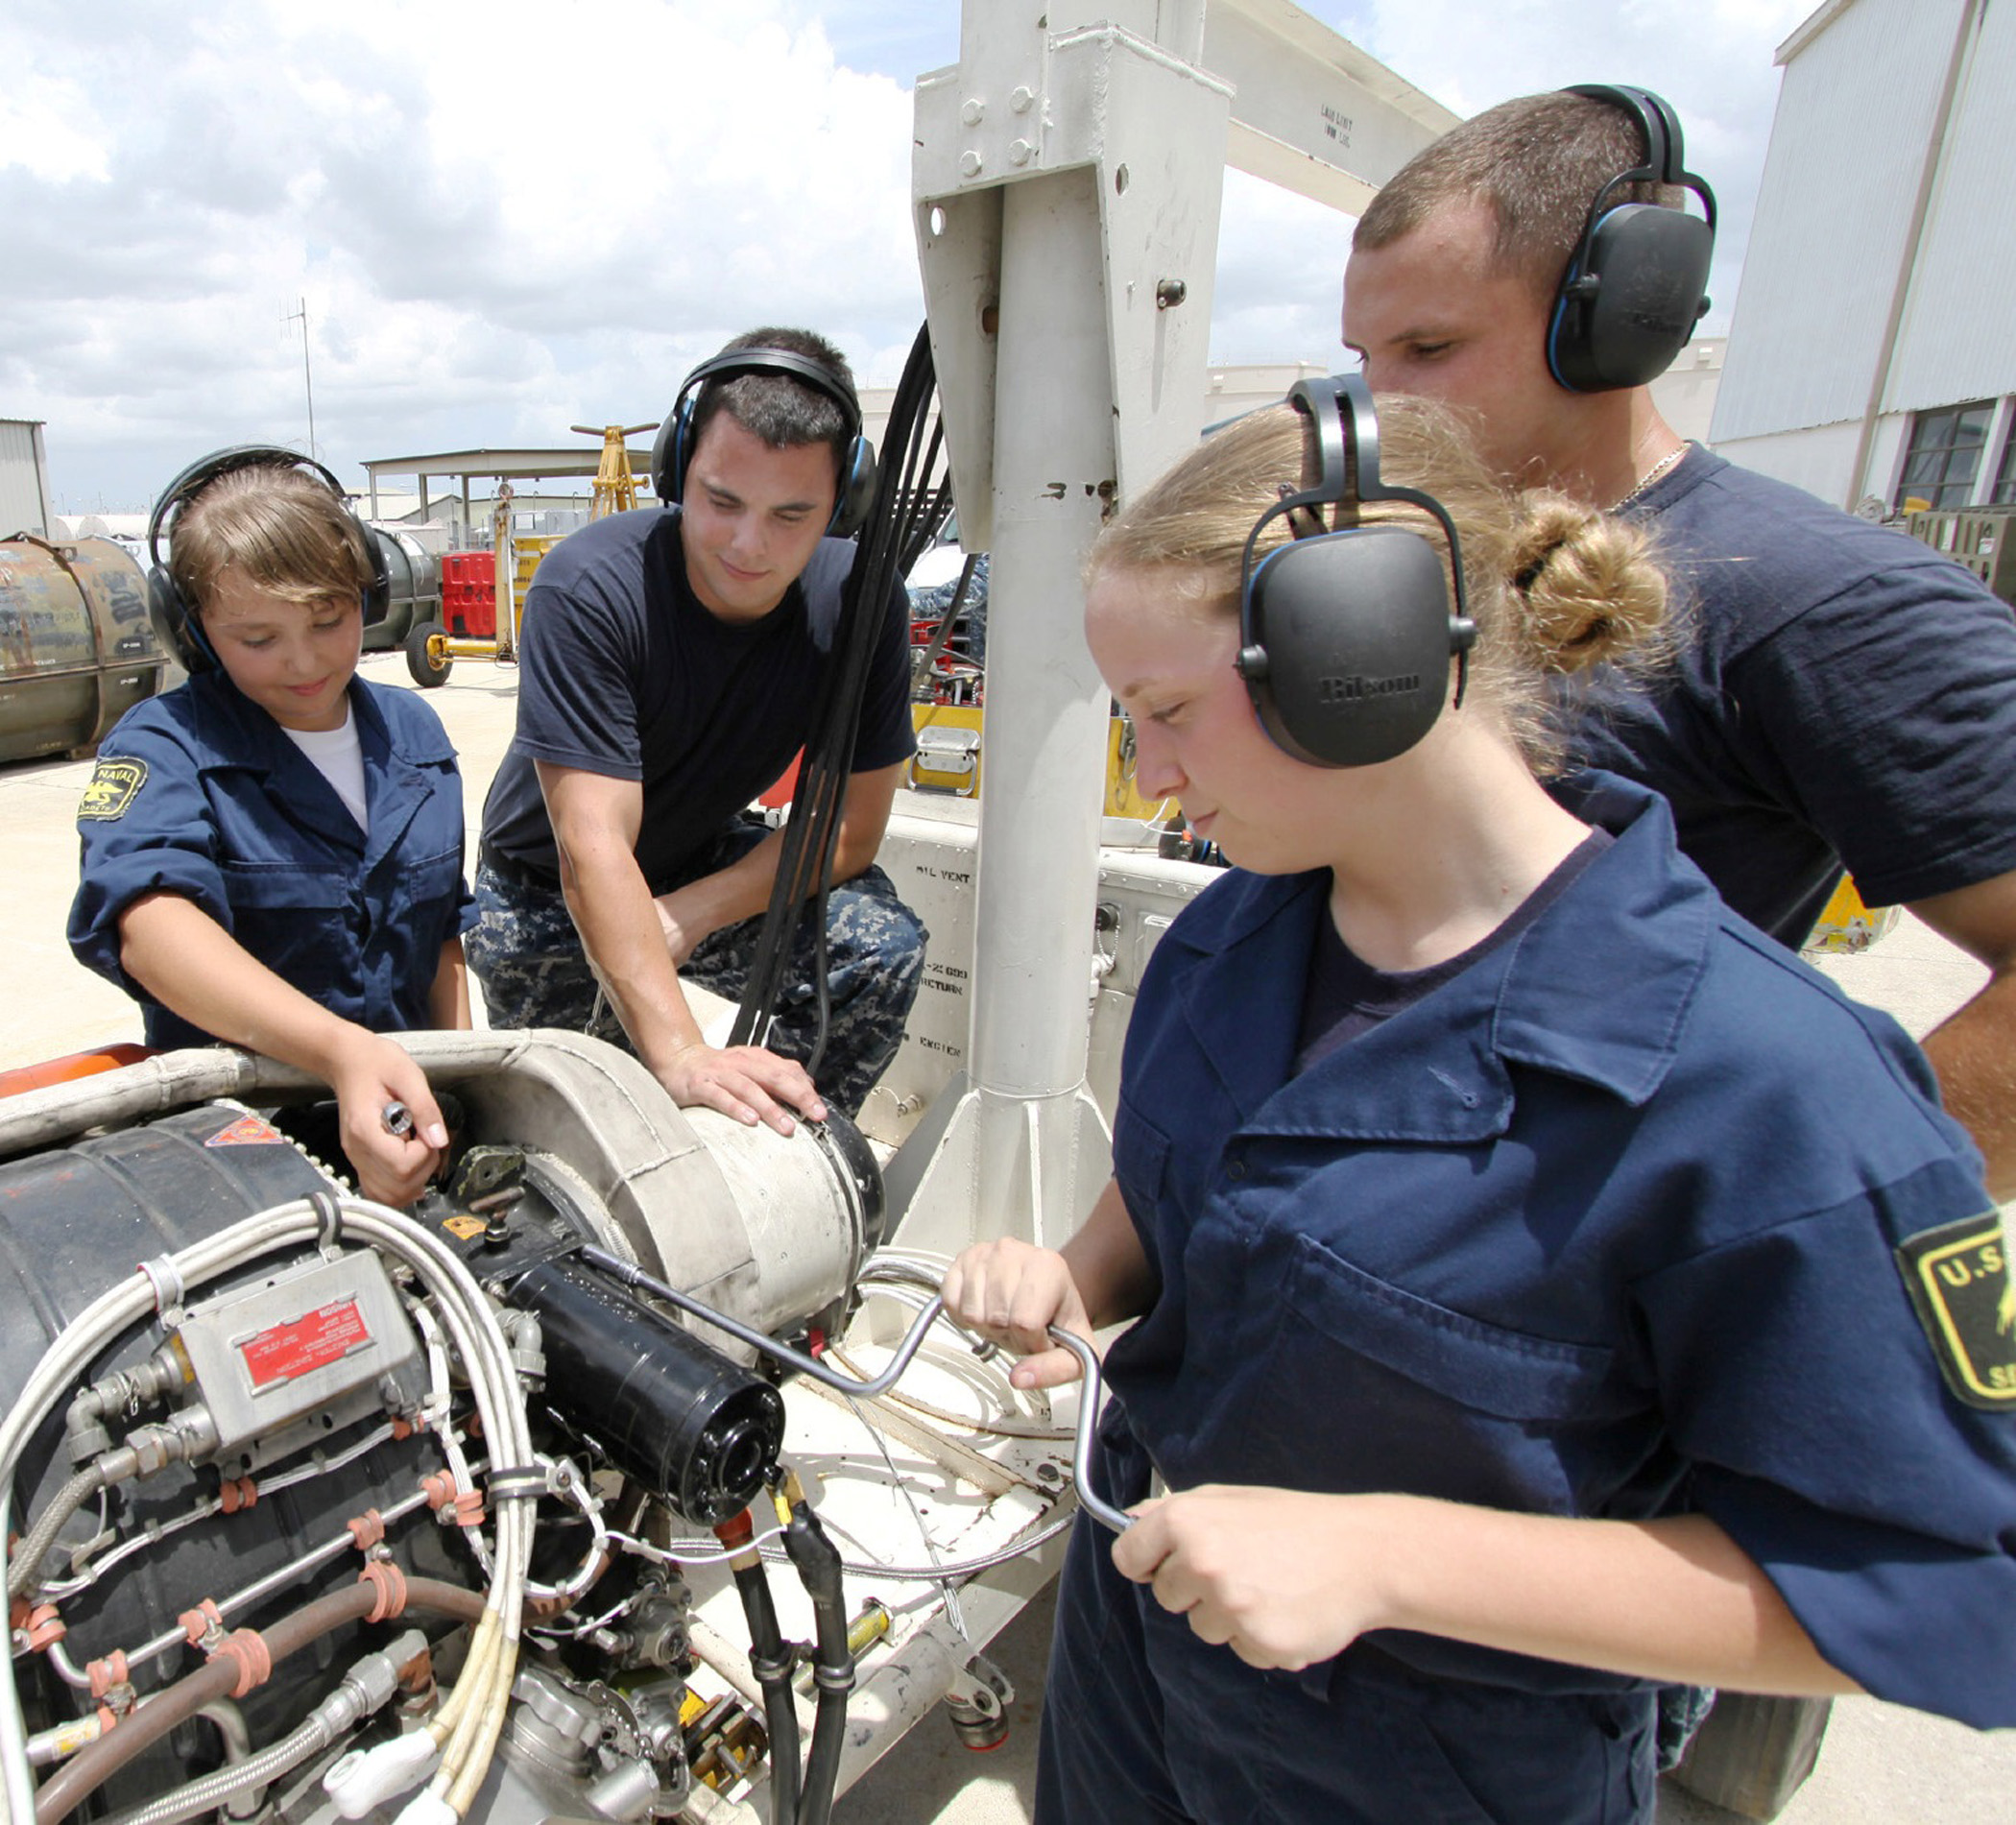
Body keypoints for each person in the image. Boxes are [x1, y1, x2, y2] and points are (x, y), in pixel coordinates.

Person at [939, 384, 2016, 1825]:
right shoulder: (1227, 942)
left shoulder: (1761, 1087)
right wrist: (1079, 1276)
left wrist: (1387, 1558)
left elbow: (1945, 1590)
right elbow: (1201, 1175)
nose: (1162, 779)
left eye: (1169, 713)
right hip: (1136, 1686)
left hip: (1431, 1769)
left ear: (1358, 657)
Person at [1341, 85, 2016, 1202]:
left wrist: (1780, 1201)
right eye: (1369, 353)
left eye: (1432, 347)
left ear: (1620, 321)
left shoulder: (1815, 598)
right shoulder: (1431, 560)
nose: (1386, 402)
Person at [468, 329, 924, 1135]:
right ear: (678, 470)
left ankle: (783, 1150)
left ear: (845, 500)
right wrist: (678, 1052)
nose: (750, 545)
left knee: (875, 947)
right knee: (565, 1127)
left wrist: (690, 912)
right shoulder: (588, 587)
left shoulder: (860, 600)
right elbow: (591, 845)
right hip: (546, 893)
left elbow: (849, 828)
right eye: (721, 501)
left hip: (694, 863)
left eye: (793, 514)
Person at [69, 448, 473, 1207]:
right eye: (257, 639)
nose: (303, 660)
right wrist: (342, 1053)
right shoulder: (164, 748)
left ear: (371, 593)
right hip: (242, 1160)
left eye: (329, 620)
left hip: (409, 1140)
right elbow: (151, 927)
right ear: (192, 630)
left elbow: (441, 937)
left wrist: (464, 1095)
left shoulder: (414, 733)